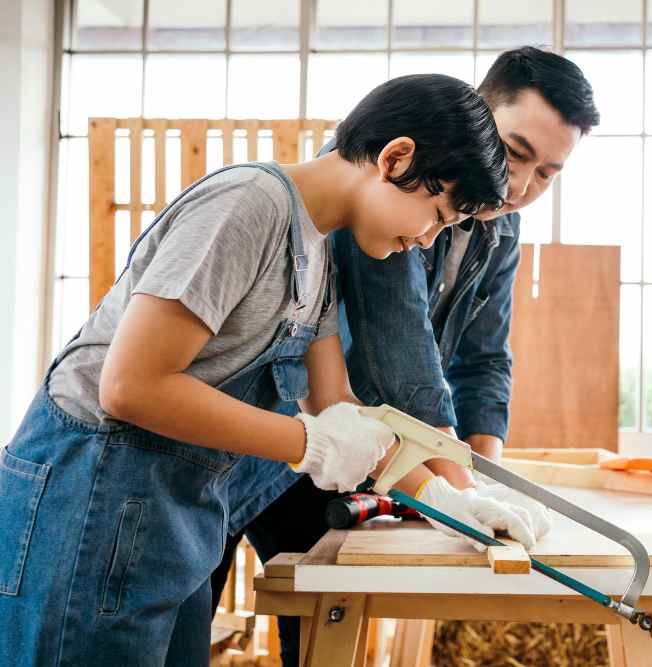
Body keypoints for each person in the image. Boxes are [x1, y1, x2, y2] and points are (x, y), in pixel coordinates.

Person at [0, 74, 536, 666]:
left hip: (175, 519)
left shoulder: (318, 253)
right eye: (434, 214)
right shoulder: (248, 204)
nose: (425, 240)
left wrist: (440, 496)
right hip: (94, 500)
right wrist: (306, 442)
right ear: (396, 158)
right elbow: (131, 386)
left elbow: (335, 403)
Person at [217, 47, 601, 666]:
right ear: (475, 116)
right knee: (172, 623)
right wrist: (456, 489)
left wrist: (481, 483)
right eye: (515, 152)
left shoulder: (498, 226)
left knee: (319, 629)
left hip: (333, 439)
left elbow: (482, 359)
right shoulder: (356, 193)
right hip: (245, 433)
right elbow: (395, 352)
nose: (518, 188)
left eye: (548, 174)